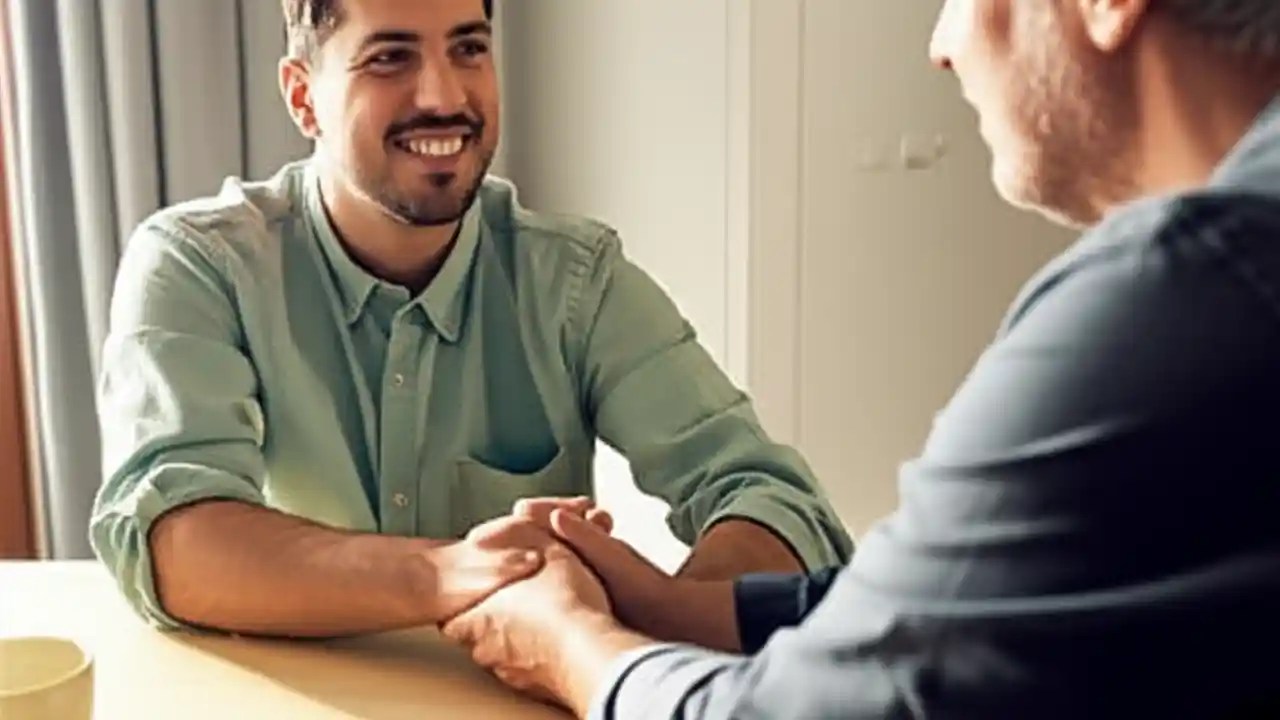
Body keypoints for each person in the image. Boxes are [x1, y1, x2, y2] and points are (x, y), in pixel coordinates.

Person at [439, 0, 1280, 717]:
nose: (941, 44)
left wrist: (576, 651)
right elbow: (954, 610)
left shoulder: (1189, 287)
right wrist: (673, 607)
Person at [88, 0, 851, 637]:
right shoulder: (198, 265)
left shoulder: (577, 281)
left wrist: (654, 616)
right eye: (390, 58)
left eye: (469, 48)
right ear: (302, 96)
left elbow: (772, 497)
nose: (442, 95)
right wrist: (451, 572)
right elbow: (175, 542)